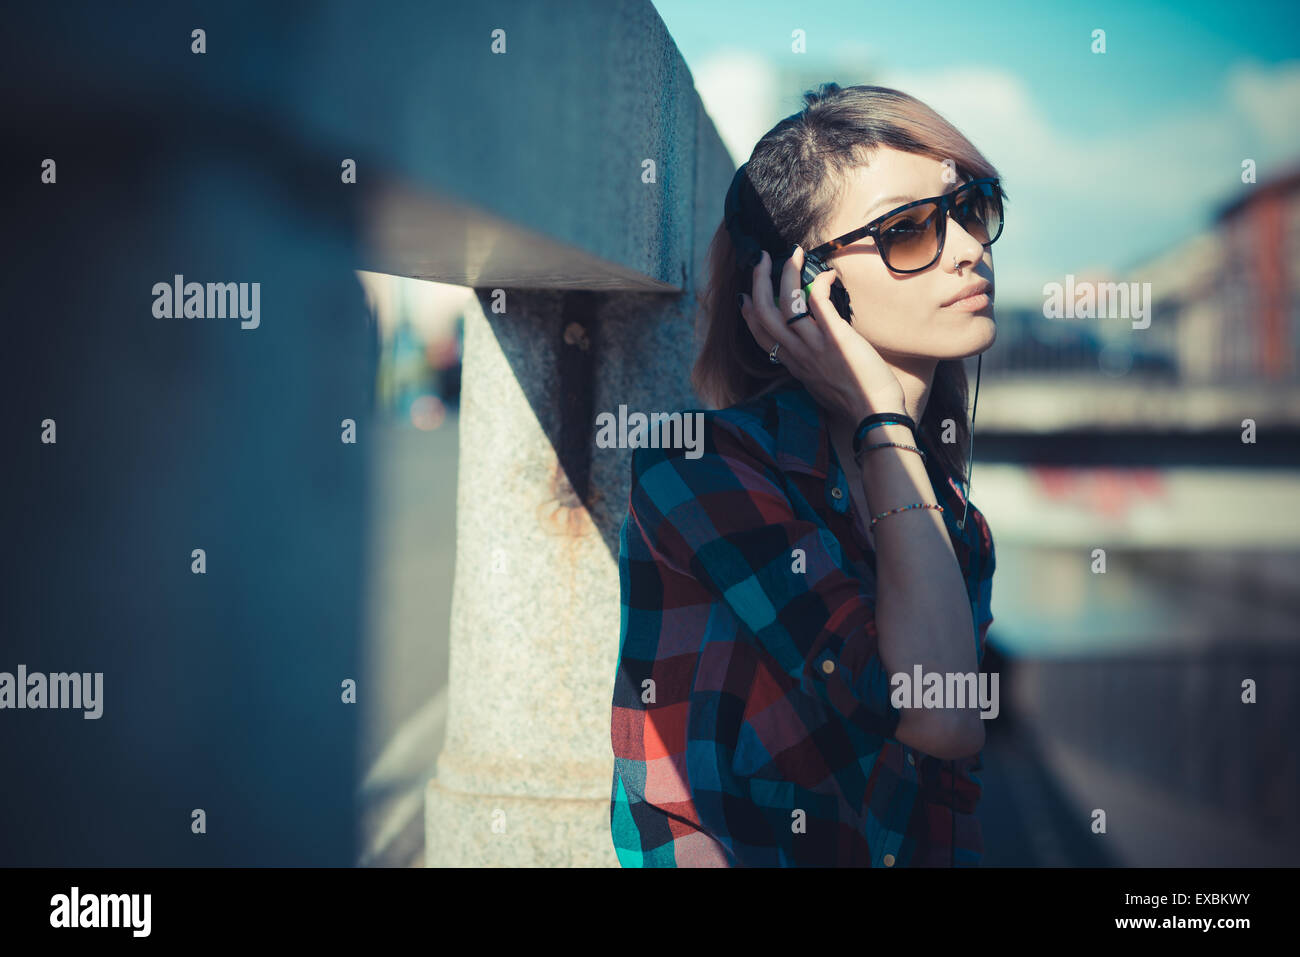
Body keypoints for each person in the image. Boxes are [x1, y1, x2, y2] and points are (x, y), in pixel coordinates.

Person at [610, 83, 1003, 866]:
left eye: (972, 207)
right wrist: (883, 419)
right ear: (803, 288)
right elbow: (937, 714)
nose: (967, 247)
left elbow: (943, 801)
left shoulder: (956, 520)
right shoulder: (700, 467)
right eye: (909, 229)